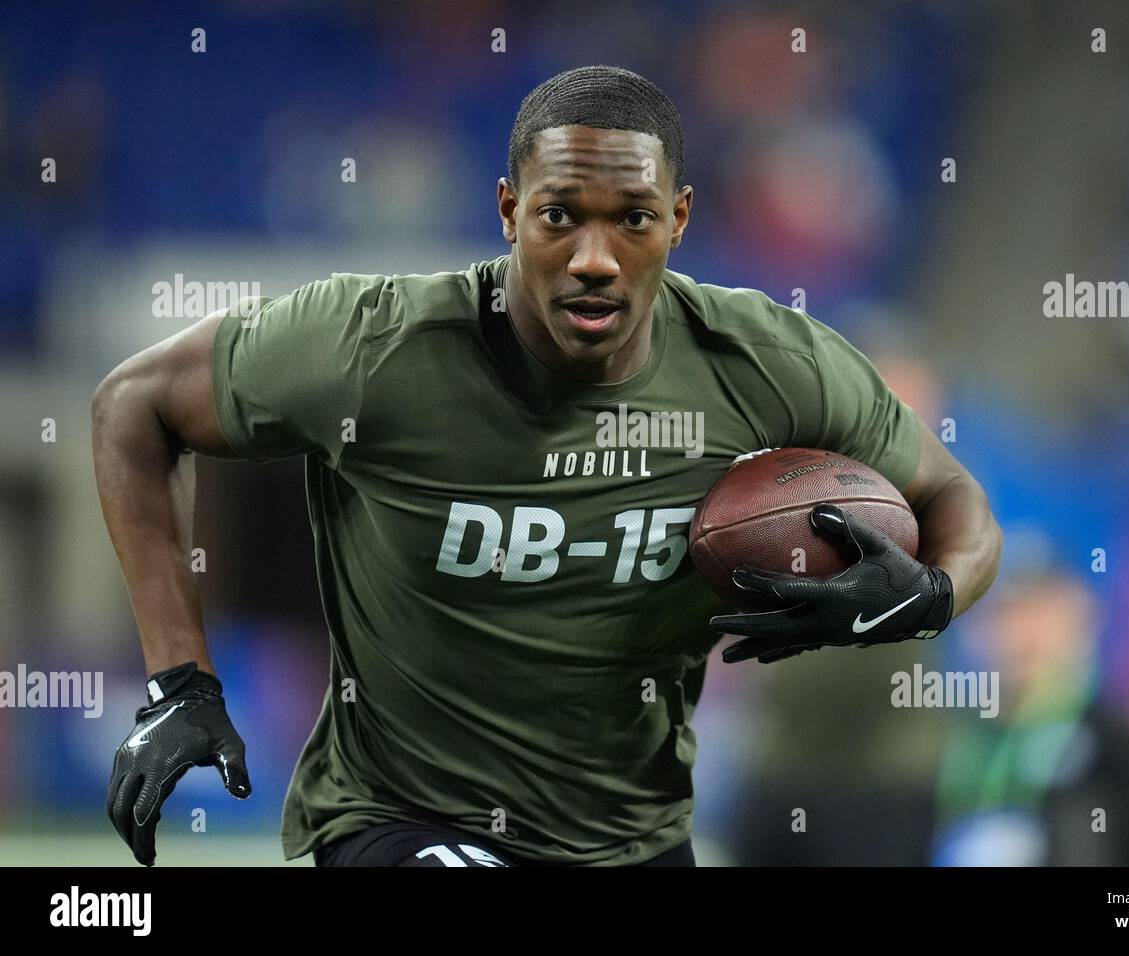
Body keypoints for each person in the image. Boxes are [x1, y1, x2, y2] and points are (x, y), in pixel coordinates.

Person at [90, 65, 1001, 867]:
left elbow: (955, 499)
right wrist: (181, 681)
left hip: (633, 833)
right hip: (404, 815)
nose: (594, 259)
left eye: (634, 219)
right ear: (508, 211)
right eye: (560, 215)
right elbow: (134, 406)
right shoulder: (370, 346)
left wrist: (930, 594)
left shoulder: (766, 361)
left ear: (680, 219)